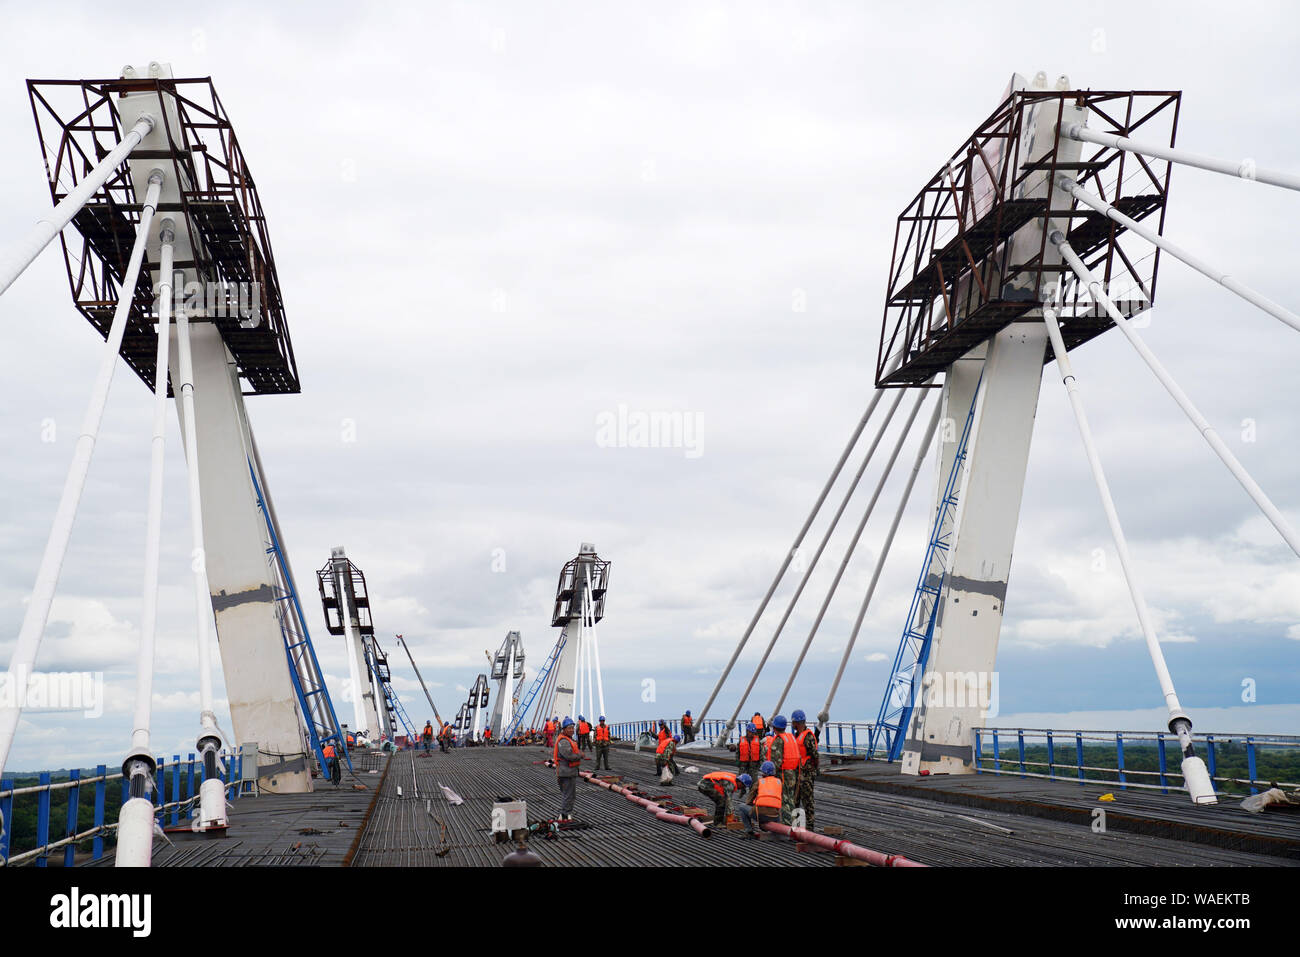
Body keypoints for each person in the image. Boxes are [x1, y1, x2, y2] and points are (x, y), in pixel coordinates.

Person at [765, 715, 800, 825]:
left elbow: (776, 761)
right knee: (791, 799)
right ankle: (796, 824)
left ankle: (788, 826)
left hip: (783, 774)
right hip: (793, 773)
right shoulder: (791, 737)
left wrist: (770, 775)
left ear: (774, 727)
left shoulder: (779, 740)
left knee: (785, 800)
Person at [791, 710, 818, 830]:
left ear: (797, 722)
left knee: (807, 800)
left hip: (806, 773)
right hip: (797, 772)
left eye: (793, 722)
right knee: (795, 799)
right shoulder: (797, 736)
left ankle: (810, 827)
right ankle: (797, 826)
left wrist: (813, 769)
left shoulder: (808, 736)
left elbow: (814, 755)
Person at [737, 762, 781, 837]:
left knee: (741, 807)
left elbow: (750, 797)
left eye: (762, 772)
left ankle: (749, 831)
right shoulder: (779, 782)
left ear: (765, 773)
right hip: (775, 816)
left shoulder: (760, 782)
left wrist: (750, 806)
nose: (761, 774)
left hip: (761, 815)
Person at [554, 717, 582, 821]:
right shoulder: (564, 741)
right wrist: (580, 755)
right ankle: (564, 815)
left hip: (570, 772)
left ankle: (566, 814)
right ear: (564, 729)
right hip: (566, 773)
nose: (571, 730)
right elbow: (569, 755)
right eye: (569, 728)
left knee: (570, 795)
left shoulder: (568, 739)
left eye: (572, 728)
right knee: (568, 795)